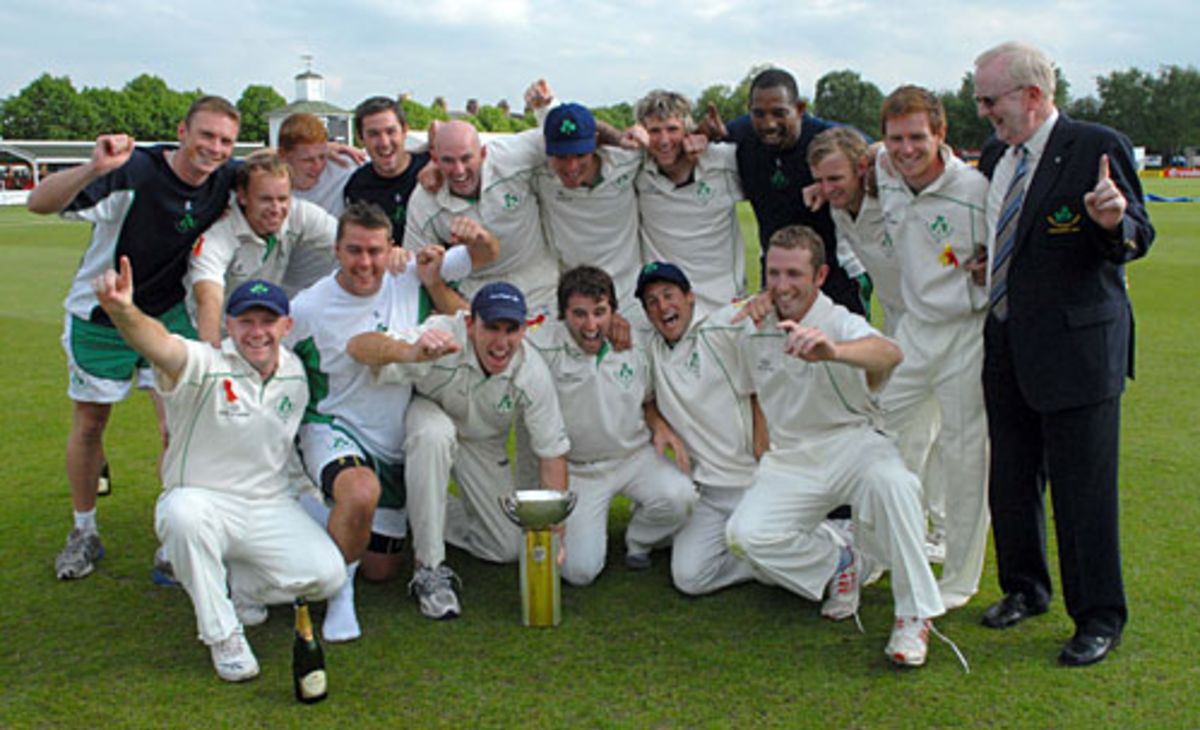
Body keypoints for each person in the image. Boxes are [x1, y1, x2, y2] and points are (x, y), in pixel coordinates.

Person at [973, 41, 1153, 667]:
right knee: (1013, 482)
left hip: (1078, 352)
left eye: (990, 99)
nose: (982, 111)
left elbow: (1137, 236)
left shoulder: (1095, 144)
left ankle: (1099, 617)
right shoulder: (998, 154)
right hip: (1006, 344)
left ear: (1032, 95)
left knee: (1084, 494)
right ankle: (1025, 589)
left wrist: (1113, 221)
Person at [92, 264, 345, 681]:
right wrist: (124, 312)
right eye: (246, 321)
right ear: (229, 324)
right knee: (181, 514)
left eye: (268, 321)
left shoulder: (295, 372)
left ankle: (237, 589)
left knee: (328, 577)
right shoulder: (203, 364)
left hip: (268, 505)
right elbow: (161, 346)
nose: (257, 332)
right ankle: (223, 634)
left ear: (287, 325)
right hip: (203, 501)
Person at [28, 96, 241, 580]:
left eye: (225, 140)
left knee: (177, 428)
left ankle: (173, 538)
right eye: (206, 135)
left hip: (164, 317)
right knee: (89, 426)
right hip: (100, 318)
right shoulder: (133, 171)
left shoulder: (227, 176)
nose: (215, 148)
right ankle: (84, 531)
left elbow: (281, 170)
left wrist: (334, 153)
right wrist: (91, 169)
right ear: (182, 131)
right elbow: (40, 202)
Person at [725, 225, 946, 667]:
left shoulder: (838, 320)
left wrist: (834, 352)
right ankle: (840, 562)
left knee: (895, 485)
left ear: (821, 275)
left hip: (853, 443)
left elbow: (888, 353)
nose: (783, 285)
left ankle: (914, 614)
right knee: (744, 537)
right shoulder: (753, 321)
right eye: (774, 273)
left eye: (794, 274)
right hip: (791, 458)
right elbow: (709, 325)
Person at [286, 202, 496, 634]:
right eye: (354, 251)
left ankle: (306, 512)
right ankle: (340, 596)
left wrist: (474, 235)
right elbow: (361, 347)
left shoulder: (406, 275)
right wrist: (411, 352)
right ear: (337, 251)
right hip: (333, 425)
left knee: (380, 568)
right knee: (361, 492)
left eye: (375, 251)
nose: (365, 263)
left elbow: (487, 255)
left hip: (392, 435)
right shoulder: (309, 307)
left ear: (391, 249)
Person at [347, 283, 571, 572]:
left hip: (482, 441)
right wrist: (410, 351)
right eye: (492, 327)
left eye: (511, 329)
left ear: (524, 330)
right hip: (430, 417)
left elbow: (552, 454)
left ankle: (417, 506)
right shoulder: (442, 333)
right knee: (434, 434)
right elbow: (357, 346)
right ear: (469, 323)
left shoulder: (531, 371)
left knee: (505, 547)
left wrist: (557, 535)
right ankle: (429, 565)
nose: (501, 342)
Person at [874, 86, 991, 609]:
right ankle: (881, 550)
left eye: (917, 137)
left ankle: (959, 579)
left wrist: (989, 268)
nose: (905, 149)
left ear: (940, 136)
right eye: (895, 138)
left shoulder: (975, 187)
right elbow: (859, 154)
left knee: (967, 457)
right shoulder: (883, 170)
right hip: (912, 332)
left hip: (967, 332)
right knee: (880, 439)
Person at [528, 266, 696, 584]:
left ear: (614, 312)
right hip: (579, 470)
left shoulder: (634, 344)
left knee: (682, 498)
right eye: (579, 314)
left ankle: (640, 539)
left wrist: (658, 424)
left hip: (634, 457)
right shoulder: (541, 345)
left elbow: (646, 399)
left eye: (600, 312)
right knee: (578, 572)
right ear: (562, 314)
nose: (591, 325)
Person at [636, 262, 764, 595]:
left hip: (750, 485)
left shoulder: (720, 327)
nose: (662, 307)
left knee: (766, 542)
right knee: (690, 578)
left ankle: (838, 547)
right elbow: (646, 398)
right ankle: (763, 562)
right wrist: (657, 423)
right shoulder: (651, 347)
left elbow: (752, 313)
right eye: (652, 301)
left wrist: (766, 300)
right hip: (705, 493)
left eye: (669, 295)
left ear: (690, 297)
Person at [706, 68, 867, 315]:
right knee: (779, 349)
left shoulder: (825, 136)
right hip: (777, 274)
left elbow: (878, 153)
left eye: (779, 113)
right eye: (758, 114)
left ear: (800, 109)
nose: (768, 123)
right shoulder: (740, 134)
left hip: (838, 274)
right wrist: (702, 136)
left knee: (844, 350)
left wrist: (830, 184)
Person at [403, 120, 560, 318]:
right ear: (435, 159)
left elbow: (566, 131)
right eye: (448, 160)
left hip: (540, 287)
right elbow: (416, 271)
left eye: (466, 158)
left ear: (484, 153)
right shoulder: (423, 201)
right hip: (476, 296)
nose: (459, 171)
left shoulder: (510, 155)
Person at [189, 150, 337, 345]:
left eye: (283, 199)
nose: (276, 209)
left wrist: (389, 254)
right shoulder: (219, 235)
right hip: (209, 331)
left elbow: (350, 241)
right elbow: (208, 297)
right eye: (265, 199)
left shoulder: (299, 213)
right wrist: (212, 359)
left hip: (261, 332)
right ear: (242, 197)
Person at [633, 89, 747, 313]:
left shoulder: (723, 160)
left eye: (672, 129)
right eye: (654, 131)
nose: (664, 140)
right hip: (667, 310)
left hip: (725, 306)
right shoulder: (636, 168)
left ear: (687, 130)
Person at [808, 127, 904, 336]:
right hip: (895, 320)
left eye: (834, 178)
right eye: (819, 180)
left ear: (861, 167)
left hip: (939, 319)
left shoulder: (893, 191)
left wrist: (876, 152)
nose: (826, 189)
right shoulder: (838, 209)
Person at [343, 97, 431, 233]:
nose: (384, 142)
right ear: (361, 139)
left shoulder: (432, 166)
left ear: (405, 130)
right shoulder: (358, 187)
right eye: (373, 134)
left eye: (391, 131)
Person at [278, 112, 357, 217]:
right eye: (308, 160)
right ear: (283, 155)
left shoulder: (342, 165)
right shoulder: (266, 183)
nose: (318, 166)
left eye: (322, 157)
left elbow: (383, 163)